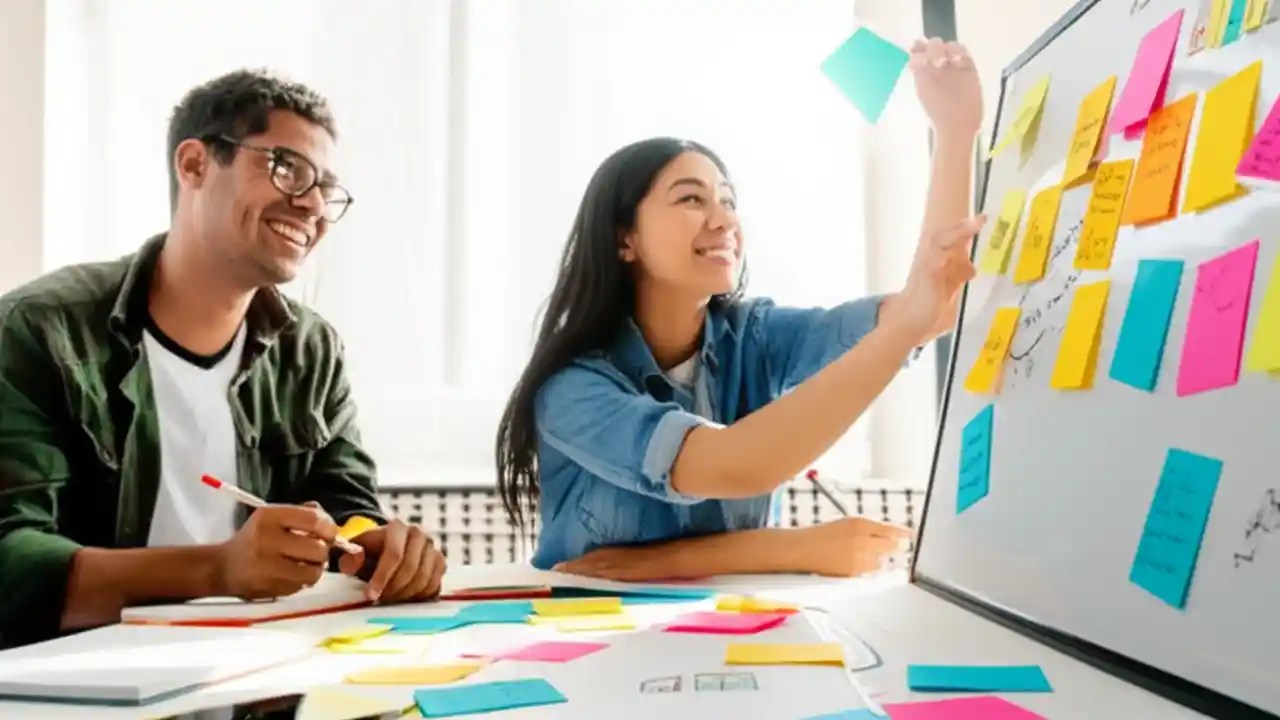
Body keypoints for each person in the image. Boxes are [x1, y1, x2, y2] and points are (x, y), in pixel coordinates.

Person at [495, 38, 985, 580]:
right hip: (588, 638)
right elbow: (734, 465)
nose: (724, 220)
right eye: (690, 199)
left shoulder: (755, 335)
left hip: (731, 629)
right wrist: (793, 549)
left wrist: (955, 133)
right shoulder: (572, 389)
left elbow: (932, 310)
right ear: (624, 239)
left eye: (728, 201)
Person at [0, 69, 444, 649]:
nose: (311, 205)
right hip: (77, 693)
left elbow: (345, 502)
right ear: (194, 166)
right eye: (287, 168)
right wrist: (218, 570)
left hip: (257, 685)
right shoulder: (40, 329)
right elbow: (11, 561)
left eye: (326, 189)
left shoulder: (310, 349)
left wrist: (371, 544)